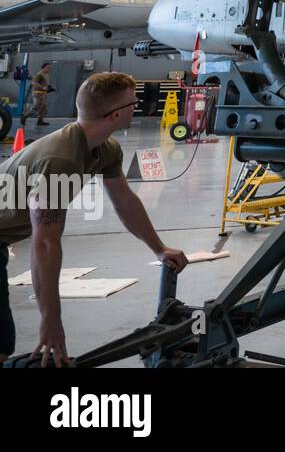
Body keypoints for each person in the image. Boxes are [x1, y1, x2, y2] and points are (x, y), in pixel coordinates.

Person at [0, 71, 189, 366]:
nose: (136, 106)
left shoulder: (105, 149)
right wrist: (51, 321)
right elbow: (46, 243)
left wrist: (159, 248)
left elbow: (125, 201)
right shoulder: (59, 159)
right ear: (115, 114)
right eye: (132, 103)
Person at [21, 61, 54, 127]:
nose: (49, 69)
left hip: (43, 94)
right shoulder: (39, 74)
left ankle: (40, 121)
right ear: (43, 68)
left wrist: (49, 88)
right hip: (38, 94)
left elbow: (44, 83)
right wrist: (43, 87)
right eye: (48, 68)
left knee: (44, 109)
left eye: (50, 68)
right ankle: (24, 116)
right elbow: (34, 83)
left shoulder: (46, 74)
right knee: (36, 108)